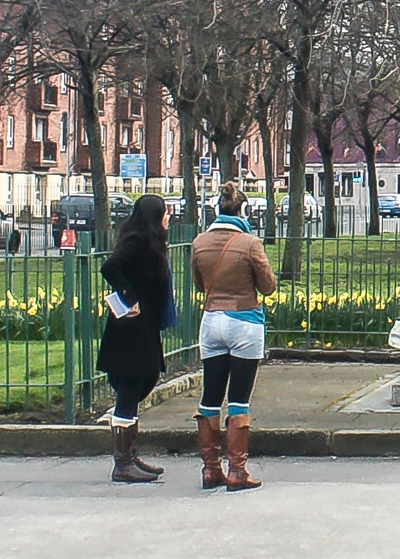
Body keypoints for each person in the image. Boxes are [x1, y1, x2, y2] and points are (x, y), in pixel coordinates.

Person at [192, 181, 277, 491]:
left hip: (211, 321)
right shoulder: (250, 243)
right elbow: (267, 286)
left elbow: (200, 284)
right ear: (243, 211)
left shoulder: (199, 242)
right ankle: (237, 471)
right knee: (239, 400)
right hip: (244, 323)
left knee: (210, 398)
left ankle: (210, 469)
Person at [96, 194, 173, 484]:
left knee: (147, 377)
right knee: (131, 385)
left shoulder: (149, 241)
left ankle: (131, 454)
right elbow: (110, 267)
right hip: (131, 329)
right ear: (154, 216)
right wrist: (130, 297)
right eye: (165, 213)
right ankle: (123, 462)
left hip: (145, 326)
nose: (169, 218)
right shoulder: (138, 241)